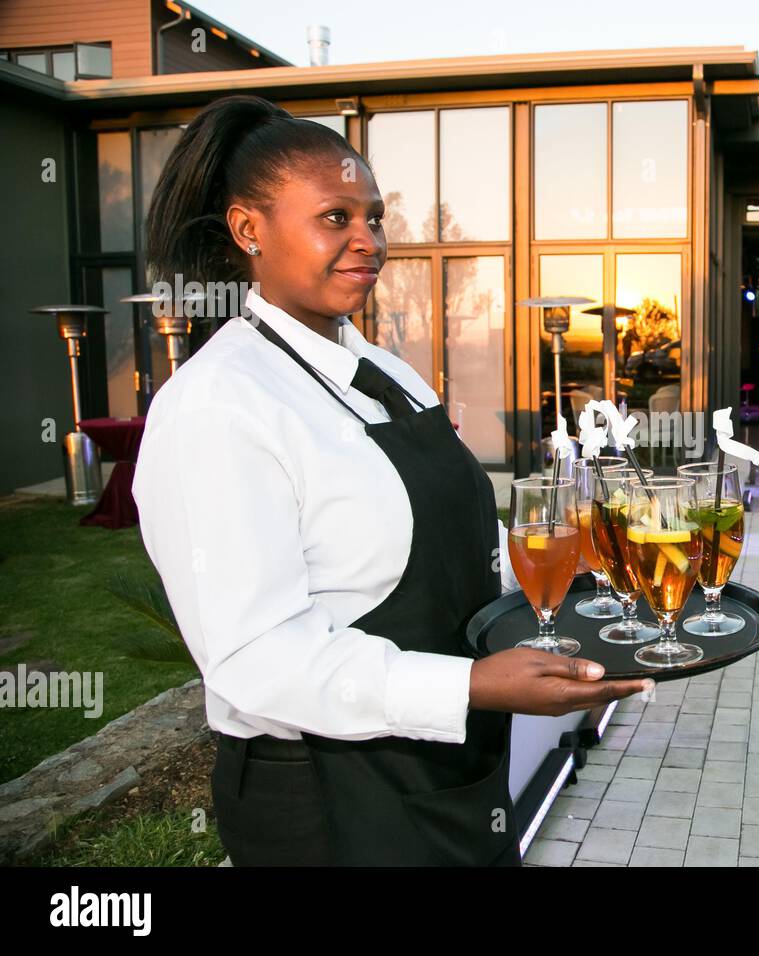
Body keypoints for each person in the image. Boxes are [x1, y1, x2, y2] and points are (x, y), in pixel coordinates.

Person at [132, 95, 649, 867]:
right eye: (335, 219)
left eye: (375, 217)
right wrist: (472, 688)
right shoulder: (216, 406)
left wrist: (585, 571)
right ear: (249, 230)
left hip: (449, 773)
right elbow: (256, 662)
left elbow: (454, 553)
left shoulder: (390, 372)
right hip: (329, 798)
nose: (368, 241)